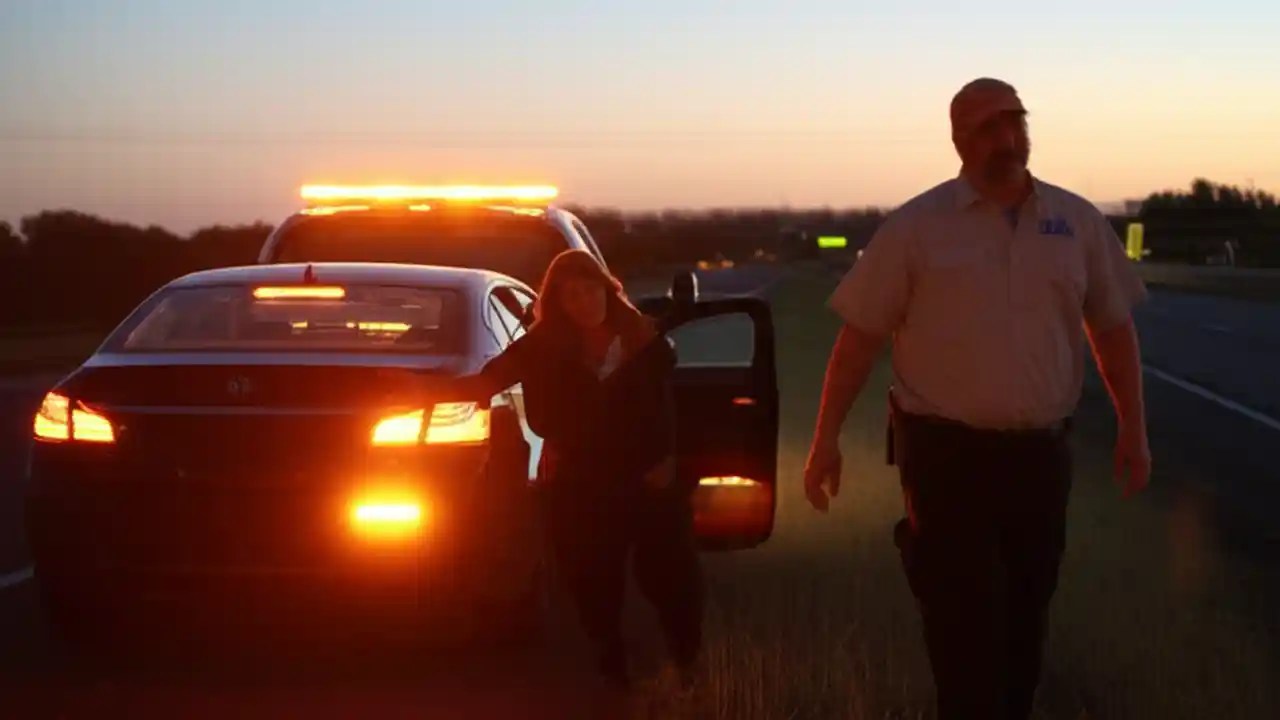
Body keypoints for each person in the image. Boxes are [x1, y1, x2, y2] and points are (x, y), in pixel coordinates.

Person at [803, 77, 1152, 719]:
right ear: (960, 140)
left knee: (1026, 615)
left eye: (1016, 121)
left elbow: (1112, 329)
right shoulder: (917, 229)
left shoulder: (1076, 223)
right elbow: (858, 343)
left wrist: (1134, 428)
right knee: (961, 621)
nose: (1008, 137)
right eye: (990, 127)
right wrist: (825, 439)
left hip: (1040, 458)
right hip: (945, 460)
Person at [463, 249, 703, 689]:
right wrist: (414, 390)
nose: (584, 302)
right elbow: (486, 382)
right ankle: (613, 669)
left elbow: (670, 407)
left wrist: (669, 460)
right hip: (583, 482)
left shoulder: (642, 337)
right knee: (591, 581)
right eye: (571, 295)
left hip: (648, 478)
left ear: (606, 289)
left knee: (672, 577)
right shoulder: (542, 346)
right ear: (557, 303)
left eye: (590, 290)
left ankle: (686, 660)